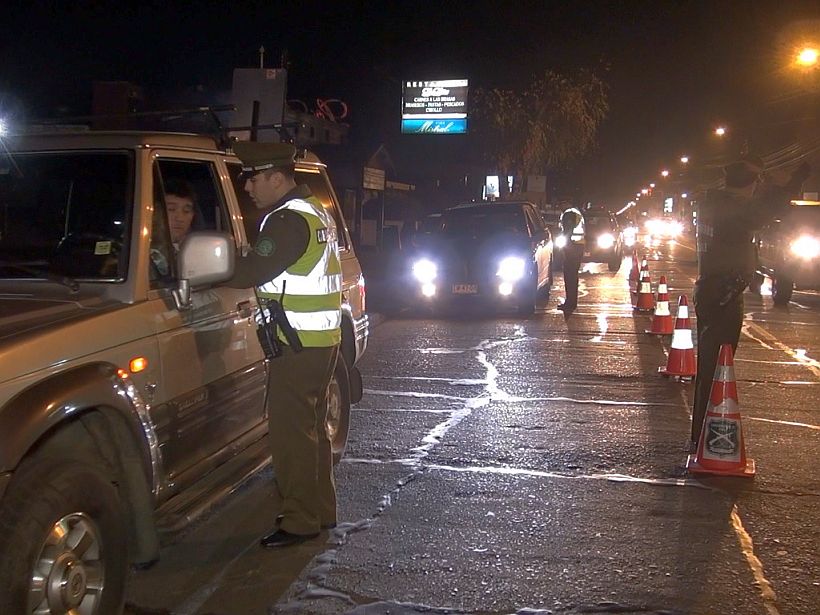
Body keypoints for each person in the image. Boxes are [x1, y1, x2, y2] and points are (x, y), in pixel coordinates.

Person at [227, 141, 342, 548]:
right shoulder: (314, 211)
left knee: (292, 435)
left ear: (276, 177)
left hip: (297, 343)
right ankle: (321, 510)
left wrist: (202, 273)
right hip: (319, 340)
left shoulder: (287, 220)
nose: (247, 187)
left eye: (252, 178)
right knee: (312, 430)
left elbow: (249, 271)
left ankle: (299, 522)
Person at [690, 155, 810, 448]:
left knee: (713, 364)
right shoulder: (729, 209)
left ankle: (703, 433)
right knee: (718, 365)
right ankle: (708, 437)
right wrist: (796, 179)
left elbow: (738, 236)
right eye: (757, 181)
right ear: (751, 184)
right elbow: (762, 212)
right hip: (723, 295)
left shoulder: (716, 204)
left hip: (715, 289)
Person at [557, 206, 585, 312]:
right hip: (578, 246)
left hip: (573, 247)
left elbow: (567, 232)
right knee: (573, 275)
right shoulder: (576, 212)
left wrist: (565, 248)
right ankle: (571, 302)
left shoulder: (569, 213)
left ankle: (570, 302)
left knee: (570, 275)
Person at [164, 178, 199, 249]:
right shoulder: (140, 250)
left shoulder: (197, 250)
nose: (180, 218)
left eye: (186, 211)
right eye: (171, 209)